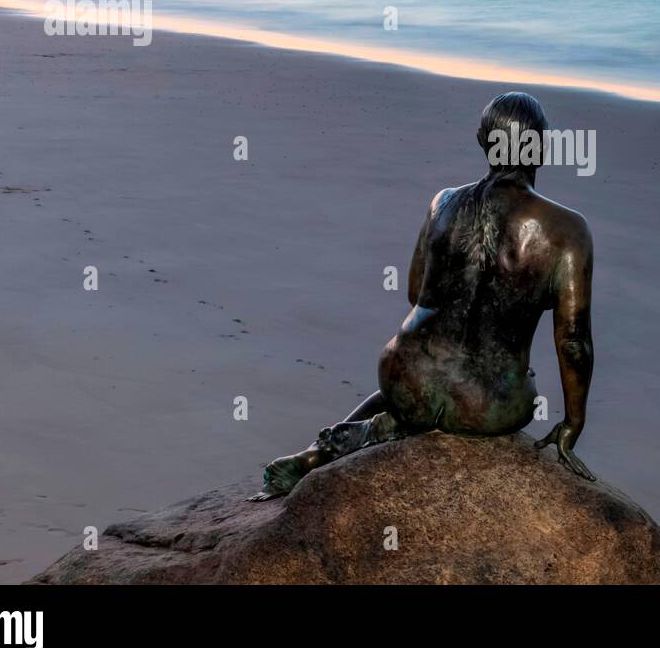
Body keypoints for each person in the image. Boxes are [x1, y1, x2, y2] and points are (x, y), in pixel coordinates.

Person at [250, 91, 595, 501]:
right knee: (507, 382)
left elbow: (416, 291)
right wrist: (573, 422)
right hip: (486, 406)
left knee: (412, 388)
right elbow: (573, 342)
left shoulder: (442, 203)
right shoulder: (568, 232)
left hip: (402, 371)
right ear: (541, 146)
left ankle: (321, 449)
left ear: (482, 140)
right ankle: (392, 425)